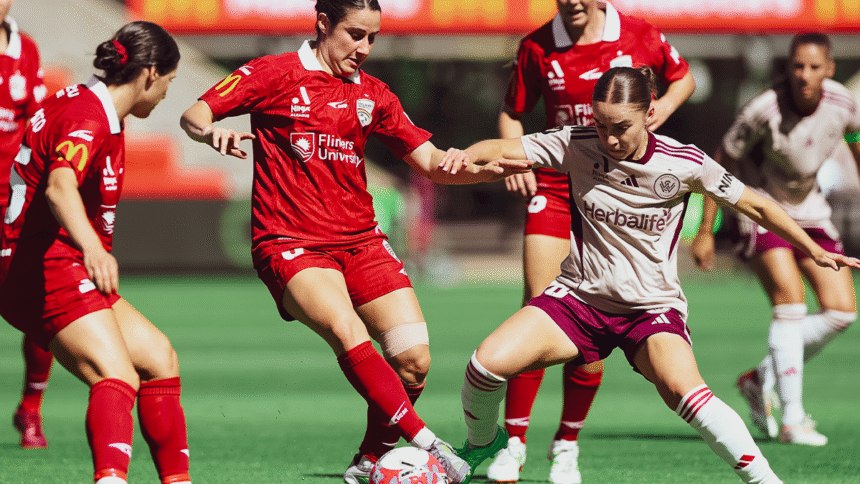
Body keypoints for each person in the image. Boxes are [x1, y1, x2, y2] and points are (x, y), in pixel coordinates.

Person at [450, 66, 860, 484]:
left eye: (621, 127)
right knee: (483, 367)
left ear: (648, 115)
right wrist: (461, 156)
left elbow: (757, 205)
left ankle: (766, 480)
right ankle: (484, 443)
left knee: (688, 395)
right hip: (578, 301)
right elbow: (499, 147)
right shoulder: (577, 143)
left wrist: (813, 248)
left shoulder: (685, 162)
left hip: (650, 310)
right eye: (601, 125)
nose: (609, 139)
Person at [178, 1, 531, 483]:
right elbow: (195, 114)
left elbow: (431, 163)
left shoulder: (374, 94)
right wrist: (209, 134)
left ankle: (368, 461)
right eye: (355, 34)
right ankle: (431, 445)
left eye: (373, 37)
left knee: (413, 361)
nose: (364, 47)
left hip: (361, 242)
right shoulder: (273, 73)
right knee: (347, 330)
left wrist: (487, 171)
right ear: (324, 24)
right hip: (291, 242)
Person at [493, 1, 695, 482]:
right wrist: (517, 159)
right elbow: (511, 113)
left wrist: (662, 107)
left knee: (598, 316)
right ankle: (513, 444)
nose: (573, 2)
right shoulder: (538, 47)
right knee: (538, 307)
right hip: (557, 188)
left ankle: (567, 444)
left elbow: (683, 78)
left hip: (617, 189)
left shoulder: (640, 34)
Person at [0, 21, 191, 484]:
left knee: (160, 359)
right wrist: (94, 250)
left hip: (55, 262)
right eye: (169, 80)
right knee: (116, 375)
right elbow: (60, 187)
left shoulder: (92, 104)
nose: (167, 92)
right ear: (149, 73)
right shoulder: (88, 116)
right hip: (40, 265)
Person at [691, 32, 859, 446]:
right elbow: (720, 162)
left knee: (841, 312)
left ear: (830, 69)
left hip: (811, 210)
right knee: (791, 302)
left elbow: (856, 139)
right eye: (798, 66)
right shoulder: (763, 109)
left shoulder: (843, 103)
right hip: (760, 210)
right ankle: (792, 421)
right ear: (788, 68)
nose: (805, 75)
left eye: (814, 67)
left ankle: (760, 377)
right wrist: (706, 230)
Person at [0, 0, 53, 450]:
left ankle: (30, 408)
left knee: (41, 308)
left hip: (14, 203)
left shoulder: (27, 49)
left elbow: (37, 122)